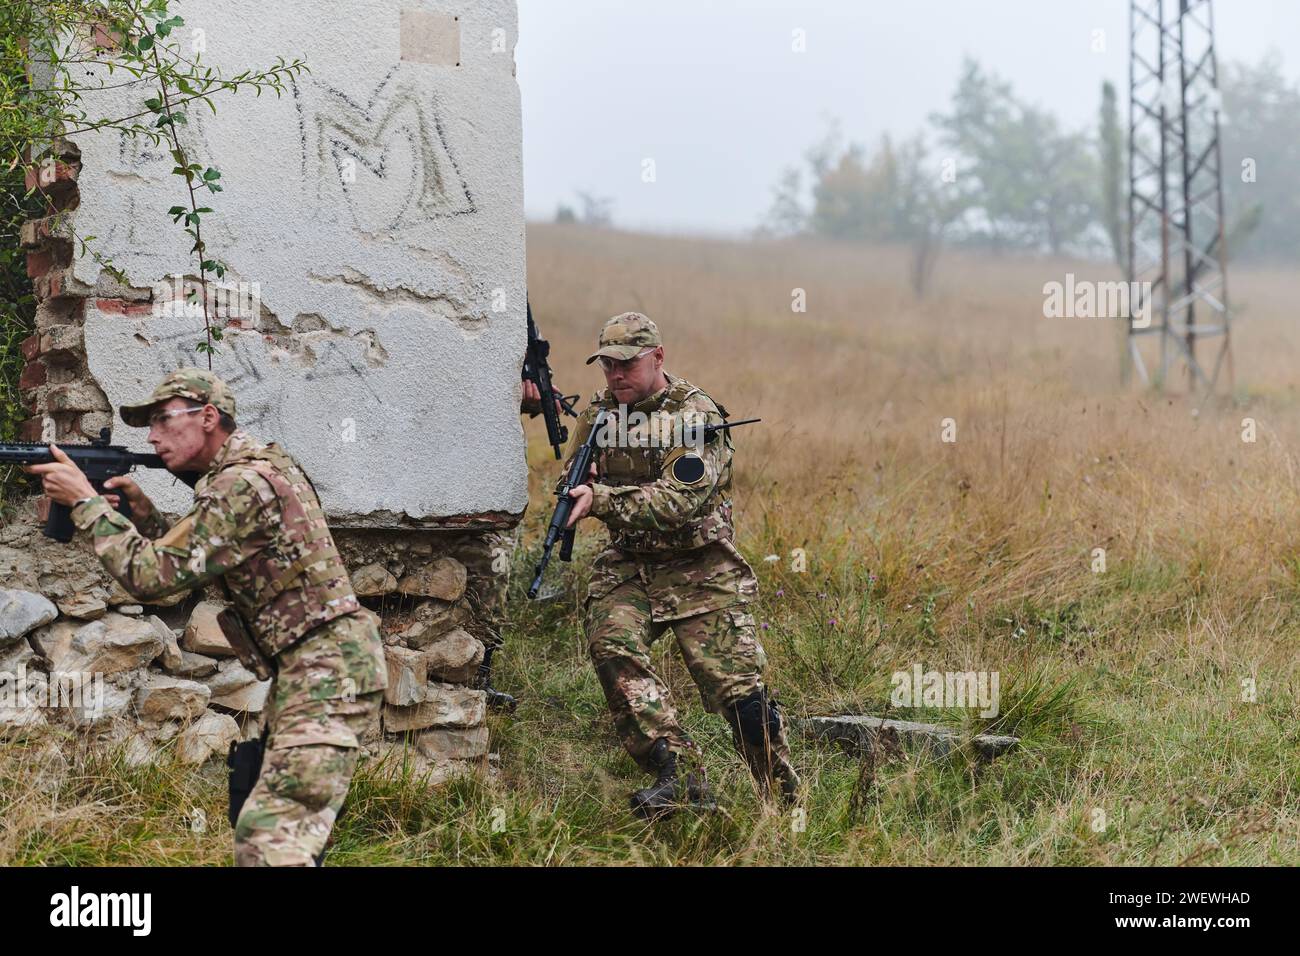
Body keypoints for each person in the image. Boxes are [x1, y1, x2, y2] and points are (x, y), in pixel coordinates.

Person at [26, 368, 386, 866]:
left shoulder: (241, 484)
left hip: (327, 673)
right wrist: (144, 516)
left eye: (162, 419)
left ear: (209, 417)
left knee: (270, 842)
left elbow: (151, 578)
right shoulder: (255, 469)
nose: (151, 436)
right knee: (266, 822)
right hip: (314, 668)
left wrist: (86, 504)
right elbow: (196, 561)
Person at [559, 312, 799, 818]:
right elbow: (573, 476)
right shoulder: (600, 413)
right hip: (630, 564)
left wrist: (602, 499)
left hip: (701, 568)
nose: (616, 375)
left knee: (740, 698)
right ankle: (680, 773)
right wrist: (579, 484)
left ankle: (783, 802)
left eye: (627, 364)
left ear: (658, 358)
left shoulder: (695, 416)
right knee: (612, 647)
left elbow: (679, 503)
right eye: (607, 365)